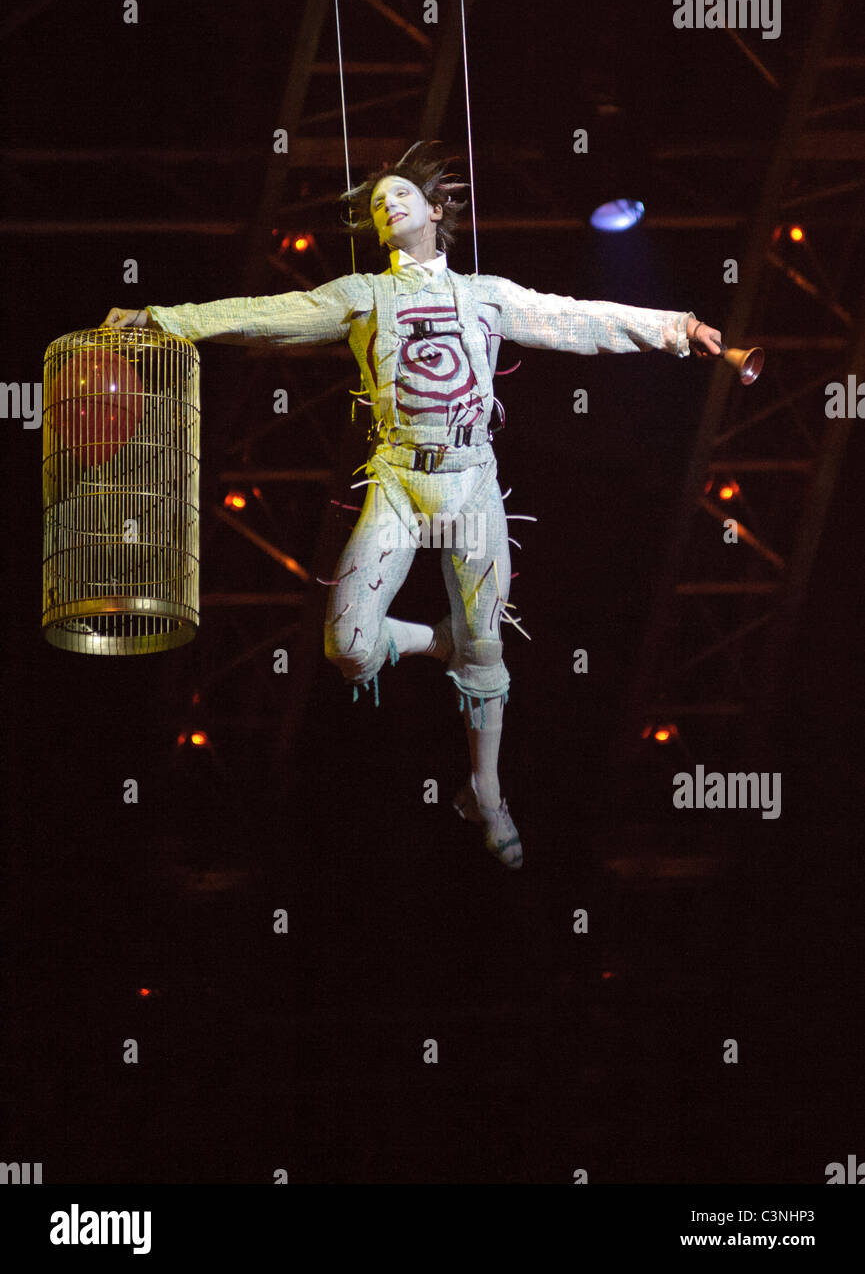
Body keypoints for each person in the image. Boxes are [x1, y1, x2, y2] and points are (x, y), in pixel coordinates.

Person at [102, 140, 723, 870]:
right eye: (375, 203)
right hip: (397, 483)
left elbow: (575, 318)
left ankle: (486, 794)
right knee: (350, 648)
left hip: (469, 483)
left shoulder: (484, 293)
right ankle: (444, 644)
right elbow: (262, 312)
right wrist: (161, 318)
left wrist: (675, 329)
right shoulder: (360, 295)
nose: (386, 204)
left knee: (488, 646)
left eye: (400, 194)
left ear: (434, 211)